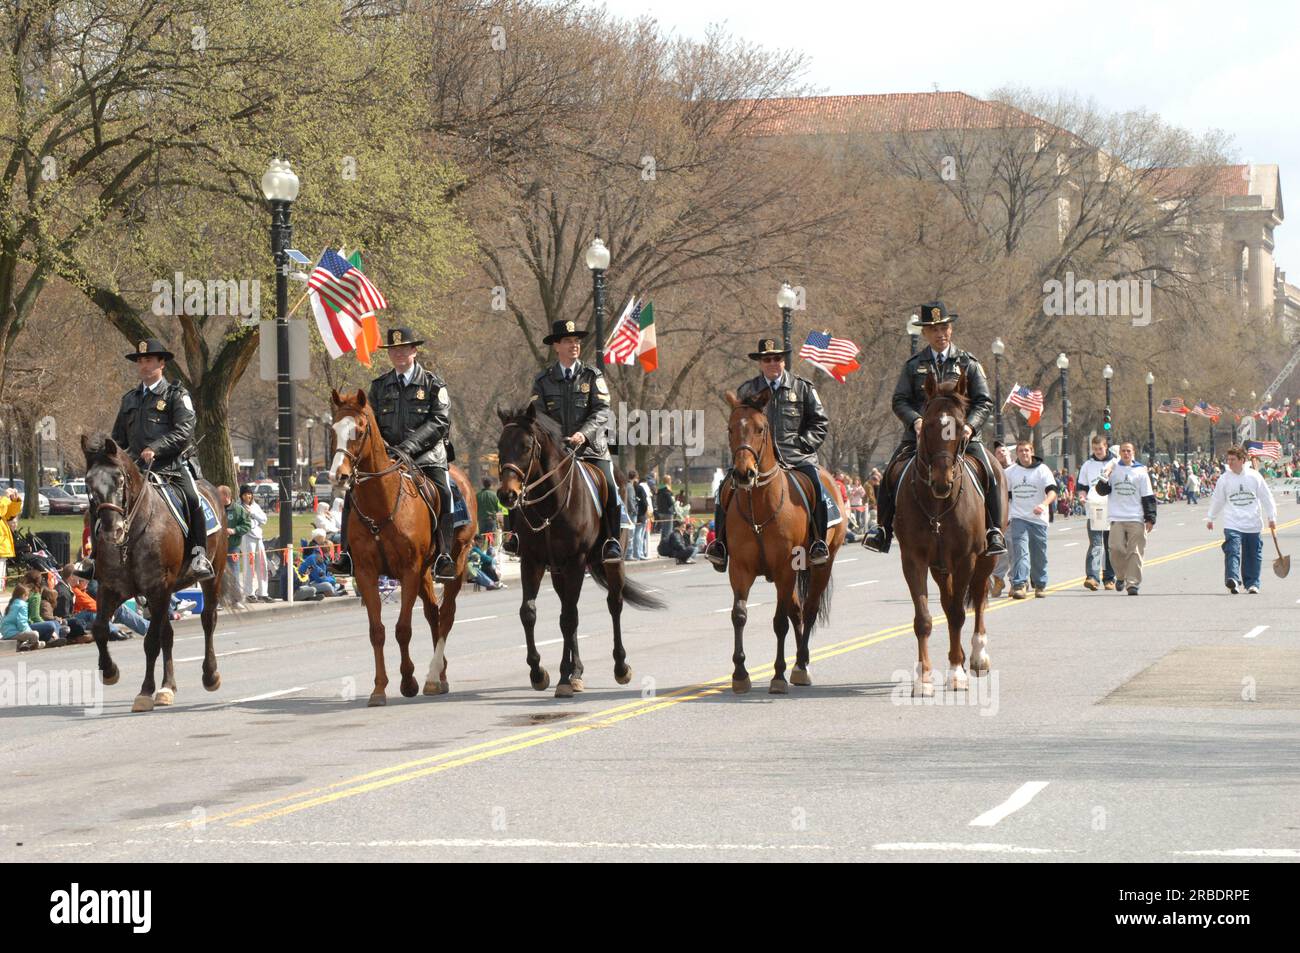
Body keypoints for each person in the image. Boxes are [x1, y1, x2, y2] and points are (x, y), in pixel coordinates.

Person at [863, 302, 1006, 556]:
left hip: (962, 437)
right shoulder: (913, 365)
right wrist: (916, 420)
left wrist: (971, 426)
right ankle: (882, 530)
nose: (941, 334)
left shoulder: (968, 363)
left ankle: (993, 530)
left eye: (945, 328)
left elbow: (984, 400)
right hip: (922, 437)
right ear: (925, 334)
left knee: (991, 473)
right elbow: (899, 400)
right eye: (934, 329)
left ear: (951, 329)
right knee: (889, 475)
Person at [333, 327, 459, 580]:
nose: (399, 354)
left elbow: (439, 422)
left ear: (414, 350)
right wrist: (385, 449)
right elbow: (371, 423)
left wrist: (409, 447)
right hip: (389, 456)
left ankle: (444, 555)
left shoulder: (434, 385)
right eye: (394, 350)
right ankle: (346, 554)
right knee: (353, 493)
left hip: (427, 455)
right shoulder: (379, 386)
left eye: (404, 349)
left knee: (445, 491)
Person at [705, 337, 832, 570]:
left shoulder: (802, 387)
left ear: (783, 361)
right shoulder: (747, 390)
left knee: (817, 487)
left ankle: (817, 543)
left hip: (796, 455)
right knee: (725, 488)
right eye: (767, 359)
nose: (772, 363)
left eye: (777, 359)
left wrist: (804, 443)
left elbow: (820, 422)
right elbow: (738, 425)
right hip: (756, 457)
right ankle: (720, 544)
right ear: (760, 363)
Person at [504, 318, 623, 562]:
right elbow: (538, 415)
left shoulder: (592, 375)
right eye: (568, 341)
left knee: (611, 486)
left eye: (576, 341)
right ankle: (515, 535)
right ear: (556, 346)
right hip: (556, 451)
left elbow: (602, 410)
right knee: (520, 479)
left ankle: (611, 540)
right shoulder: (543, 380)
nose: (574, 345)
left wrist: (583, 434)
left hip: (591, 448)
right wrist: (559, 439)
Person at [111, 338, 214, 579]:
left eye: (148, 360)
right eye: (140, 361)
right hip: (137, 470)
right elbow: (118, 438)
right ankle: (96, 557)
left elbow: (184, 430)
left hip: (172, 467)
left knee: (193, 499)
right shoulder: (129, 399)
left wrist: (156, 447)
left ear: (162, 363)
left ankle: (199, 555)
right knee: (106, 501)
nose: (143, 365)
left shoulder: (176, 395)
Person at [1207, 446, 1277, 594]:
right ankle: (1233, 579)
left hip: (1252, 523)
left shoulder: (1254, 476)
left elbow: (1266, 497)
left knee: (1253, 554)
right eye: (1228, 459)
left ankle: (1252, 584)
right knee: (1232, 550)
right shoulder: (1224, 479)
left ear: (1242, 460)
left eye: (1233, 459)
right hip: (1232, 523)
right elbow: (1218, 499)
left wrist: (1272, 517)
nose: (1229, 462)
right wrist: (1211, 517)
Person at [1093, 440, 1157, 595]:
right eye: (1123, 451)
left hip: (1136, 517)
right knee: (1116, 549)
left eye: (1129, 451)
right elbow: (1101, 491)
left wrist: (1150, 518)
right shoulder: (1112, 469)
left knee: (1135, 551)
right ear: (1119, 453)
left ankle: (1133, 583)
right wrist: (1105, 475)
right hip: (1117, 517)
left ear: (1133, 453)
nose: (1126, 454)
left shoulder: (1140, 471)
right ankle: (1120, 576)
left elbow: (1148, 495)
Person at [1005, 439, 1058, 598]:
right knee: (1020, 552)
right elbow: (1006, 497)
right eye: (1021, 451)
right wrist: (1005, 517)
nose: (1024, 453)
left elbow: (1053, 491)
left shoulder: (1042, 470)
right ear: (1017, 454)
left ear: (1032, 452)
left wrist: (1044, 504)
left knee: (1038, 554)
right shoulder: (1010, 472)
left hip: (1038, 518)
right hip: (1018, 517)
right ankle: (1019, 584)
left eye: (1027, 450)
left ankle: (1040, 584)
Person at [1076, 435, 1118, 591]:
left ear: (1106, 446)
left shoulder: (1114, 463)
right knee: (1096, 544)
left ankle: (1109, 578)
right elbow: (1082, 486)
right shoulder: (1087, 465)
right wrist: (1081, 496)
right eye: (1095, 449)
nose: (1098, 451)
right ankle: (1092, 577)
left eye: (1100, 448)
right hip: (1094, 509)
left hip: (1112, 509)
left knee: (1110, 545)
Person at [239, 484, 271, 602]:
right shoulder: (240, 507)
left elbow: (264, 519)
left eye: (250, 494)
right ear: (242, 496)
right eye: (246, 494)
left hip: (258, 537)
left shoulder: (255, 506)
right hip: (247, 538)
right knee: (249, 566)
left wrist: (253, 515)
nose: (248, 496)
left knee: (262, 565)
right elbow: (246, 524)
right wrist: (255, 522)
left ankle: (263, 592)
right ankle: (249, 593)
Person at [0, 486, 20, 598]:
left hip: (2, 548)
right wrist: (5, 498)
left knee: (1, 582)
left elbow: (11, 515)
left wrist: (14, 501)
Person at [476, 477, 500, 549]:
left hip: (481, 519)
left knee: (481, 537)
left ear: (483, 484)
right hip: (491, 519)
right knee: (491, 537)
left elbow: (475, 507)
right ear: (491, 484)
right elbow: (497, 509)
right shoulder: (494, 495)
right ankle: (490, 551)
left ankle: (480, 552)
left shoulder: (478, 495)